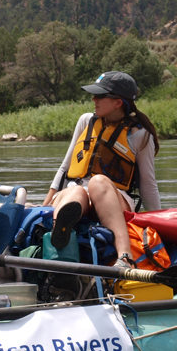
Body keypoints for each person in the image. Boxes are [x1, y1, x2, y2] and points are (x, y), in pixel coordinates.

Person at [42, 71, 161, 268]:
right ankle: (61, 228)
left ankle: (124, 256)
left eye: (100, 95)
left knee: (98, 181)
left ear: (118, 102)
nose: (93, 99)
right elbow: (65, 167)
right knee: (75, 190)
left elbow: (148, 184)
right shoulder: (85, 121)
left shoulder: (140, 135)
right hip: (79, 193)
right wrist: (45, 204)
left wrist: (159, 223)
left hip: (114, 196)